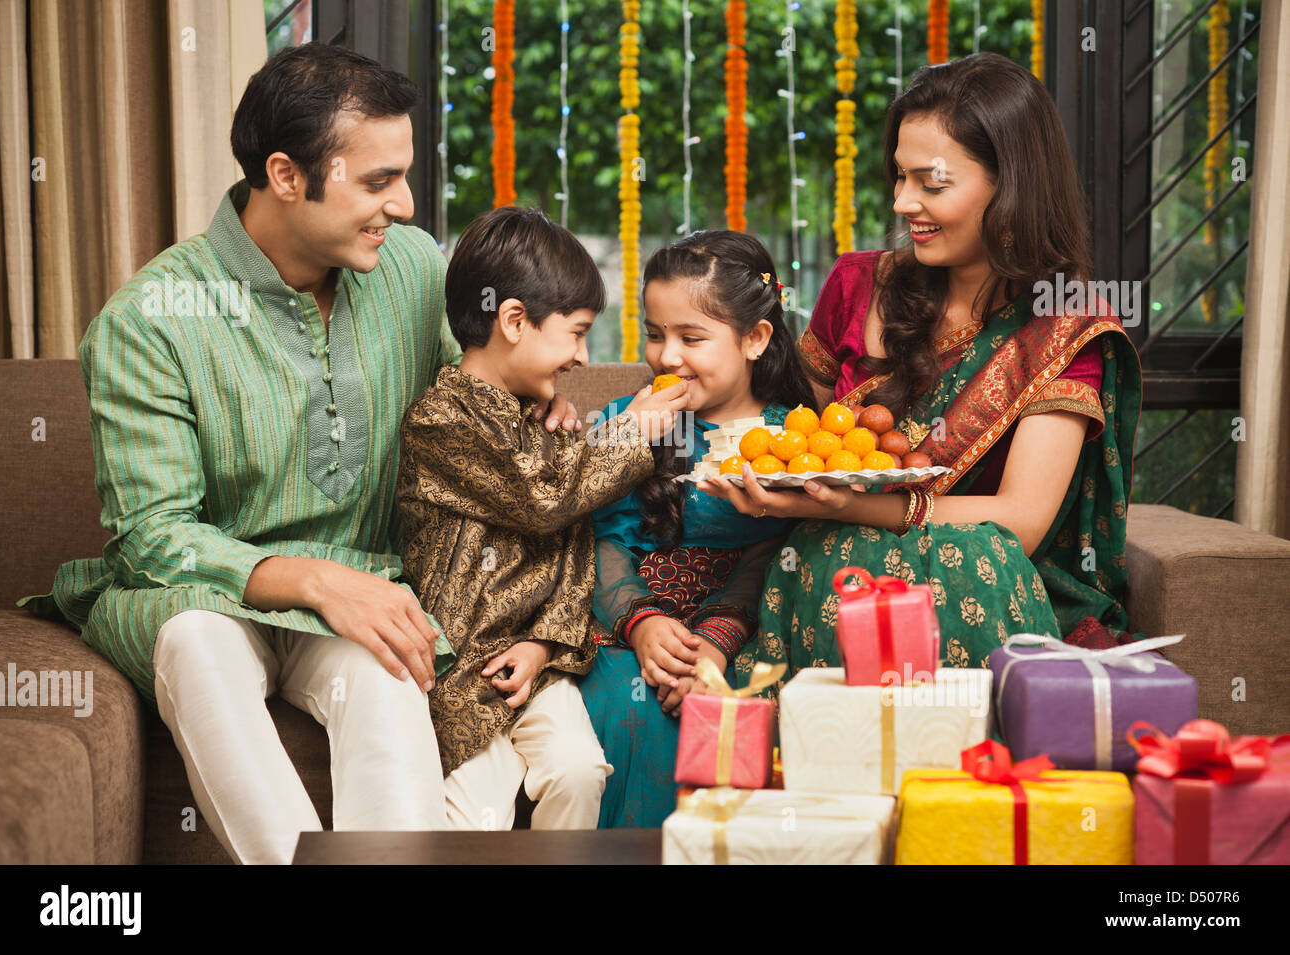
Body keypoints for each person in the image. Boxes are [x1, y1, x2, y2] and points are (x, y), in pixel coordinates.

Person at [17, 44, 583, 864]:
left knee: (392, 664)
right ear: (286, 175)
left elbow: (467, 401)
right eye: (378, 180)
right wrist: (320, 580)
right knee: (200, 646)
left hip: (370, 589)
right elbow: (153, 536)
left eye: (406, 174)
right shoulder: (149, 321)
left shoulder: (418, 270)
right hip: (201, 598)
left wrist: (534, 396)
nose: (406, 201)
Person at [699, 53, 1143, 683]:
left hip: (975, 584)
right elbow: (783, 428)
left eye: (932, 184)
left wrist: (850, 510)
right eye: (900, 177)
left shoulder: (1063, 328)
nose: (905, 202)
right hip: (823, 574)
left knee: (971, 553)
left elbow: (1019, 519)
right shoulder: (858, 285)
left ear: (1011, 184)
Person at [395, 206, 691, 830]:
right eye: (576, 333)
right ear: (512, 320)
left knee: (581, 772)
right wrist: (630, 432)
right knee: (478, 814)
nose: (583, 358)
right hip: (461, 667)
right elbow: (545, 498)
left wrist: (545, 643)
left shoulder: (544, 420)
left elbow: (574, 539)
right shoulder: (441, 422)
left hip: (539, 661)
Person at [580, 231, 813, 828]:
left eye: (692, 337)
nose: (667, 357)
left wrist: (718, 635)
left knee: (734, 705)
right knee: (628, 710)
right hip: (630, 624)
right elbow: (604, 538)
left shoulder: (792, 440)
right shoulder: (629, 421)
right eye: (656, 334)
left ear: (755, 339)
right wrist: (643, 622)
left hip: (745, 627)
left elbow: (778, 549)